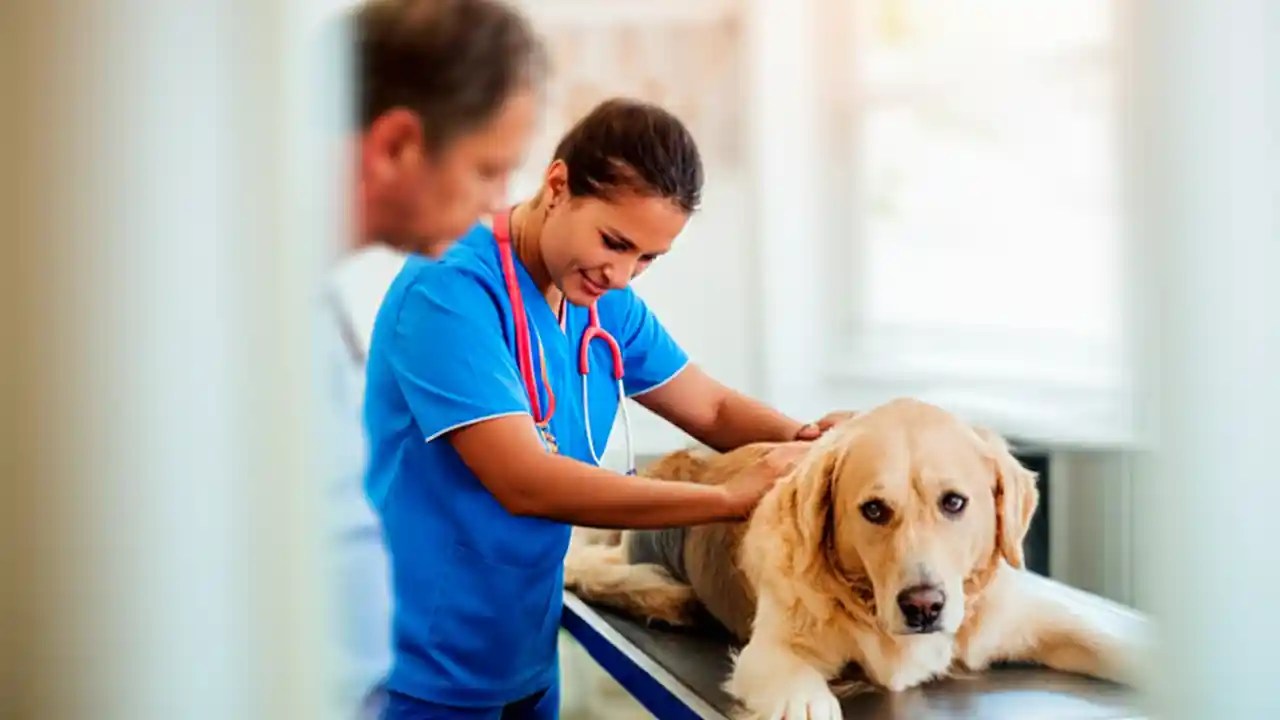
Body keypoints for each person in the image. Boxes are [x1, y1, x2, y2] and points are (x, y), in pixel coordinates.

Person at [363, 98, 852, 720]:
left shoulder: (597, 297)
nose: (623, 275)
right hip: (421, 667)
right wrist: (729, 498)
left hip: (524, 654)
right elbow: (526, 482)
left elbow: (711, 407)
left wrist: (815, 444)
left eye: (647, 258)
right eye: (615, 242)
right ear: (558, 185)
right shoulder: (449, 290)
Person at [317, 1, 547, 718]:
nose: (498, 204)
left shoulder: (304, 299)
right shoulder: (225, 307)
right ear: (395, 147)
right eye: (487, 169)